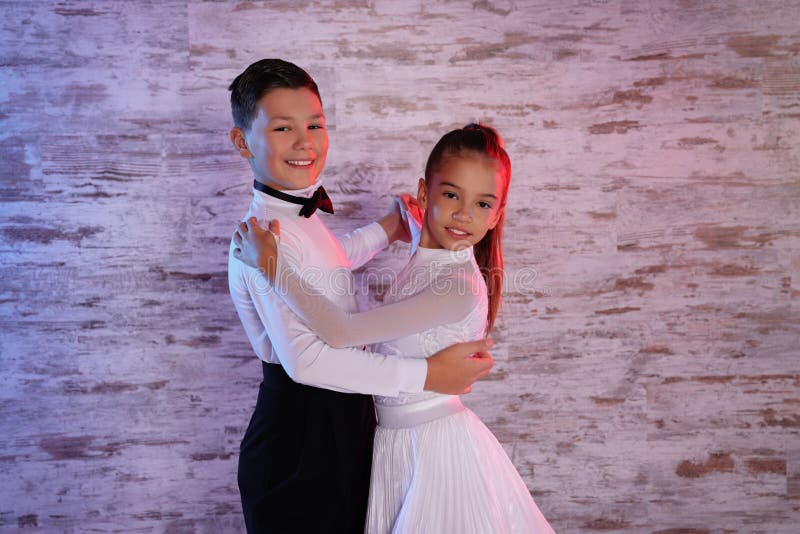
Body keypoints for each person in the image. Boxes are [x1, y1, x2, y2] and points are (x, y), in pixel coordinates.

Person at [234, 124, 555, 533]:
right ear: (425, 194)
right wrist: (396, 222)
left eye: (482, 205)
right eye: (451, 195)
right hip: (398, 447)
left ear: (496, 217)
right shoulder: (435, 257)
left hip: (435, 452)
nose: (463, 215)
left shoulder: (456, 288)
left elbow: (341, 332)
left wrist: (273, 266)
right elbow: (341, 259)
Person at [226, 59, 494, 534]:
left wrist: (387, 229)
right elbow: (306, 362)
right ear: (242, 141)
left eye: (314, 124)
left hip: (340, 423)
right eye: (283, 127)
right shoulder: (263, 240)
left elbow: (327, 266)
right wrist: (428, 374)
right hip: (301, 435)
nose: (305, 141)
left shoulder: (297, 219)